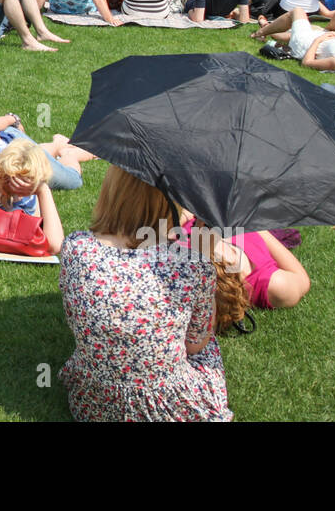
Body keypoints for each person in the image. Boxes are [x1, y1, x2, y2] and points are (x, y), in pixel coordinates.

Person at [59, 165, 236, 421]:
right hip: (164, 410)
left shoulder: (76, 247)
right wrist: (204, 254)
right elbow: (196, 344)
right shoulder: (191, 265)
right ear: (171, 204)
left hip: (93, 403)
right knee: (208, 350)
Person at [0, 117, 80, 256]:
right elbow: (54, 245)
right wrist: (42, 190)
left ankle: (62, 148)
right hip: (14, 150)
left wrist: (13, 118)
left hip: (13, 137)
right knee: (72, 179)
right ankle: (61, 148)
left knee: (71, 179)